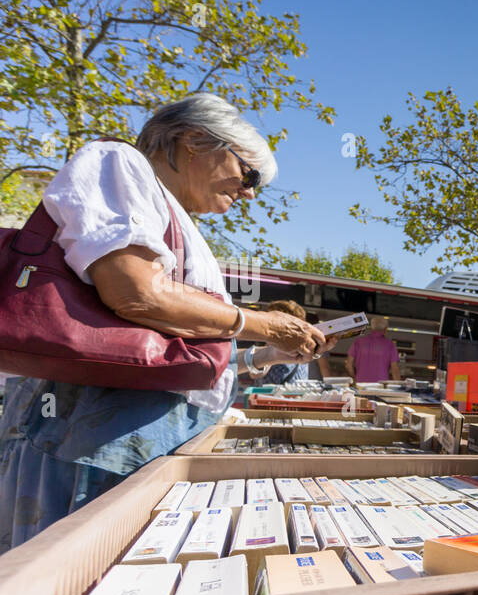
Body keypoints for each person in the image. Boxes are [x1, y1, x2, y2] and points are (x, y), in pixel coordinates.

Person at [0, 93, 336, 552]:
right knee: (69, 585)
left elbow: (164, 347)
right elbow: (135, 294)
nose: (250, 192)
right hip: (86, 442)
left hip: (128, 442)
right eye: (248, 174)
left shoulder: (170, 214)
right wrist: (261, 323)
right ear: (194, 141)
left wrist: (260, 353)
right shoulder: (118, 163)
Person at [250, 300, 310, 384]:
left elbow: (255, 374)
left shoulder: (275, 344)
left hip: (272, 396)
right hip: (297, 394)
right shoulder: (303, 345)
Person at [346, 315, 401, 382]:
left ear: (371, 328)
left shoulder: (358, 342)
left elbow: (348, 364)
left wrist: (354, 378)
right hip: (380, 386)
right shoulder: (390, 345)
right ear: (386, 329)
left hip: (361, 384)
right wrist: (399, 385)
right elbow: (395, 369)